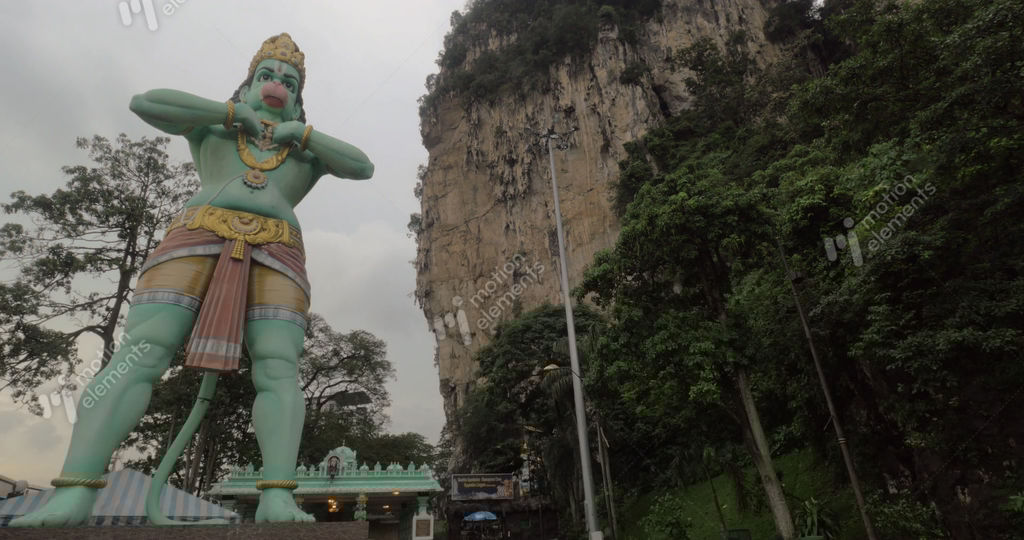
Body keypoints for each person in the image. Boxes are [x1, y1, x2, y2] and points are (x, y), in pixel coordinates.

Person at [12, 33, 373, 527]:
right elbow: (146, 102)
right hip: (198, 232)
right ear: (245, 87)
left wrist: (301, 135)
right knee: (140, 354)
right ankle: (74, 490)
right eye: (265, 76)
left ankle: (276, 495)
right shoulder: (215, 128)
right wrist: (232, 115)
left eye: (289, 82)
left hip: (279, 248)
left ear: (299, 99)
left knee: (278, 367)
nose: (276, 85)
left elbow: (363, 167)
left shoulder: (305, 154)